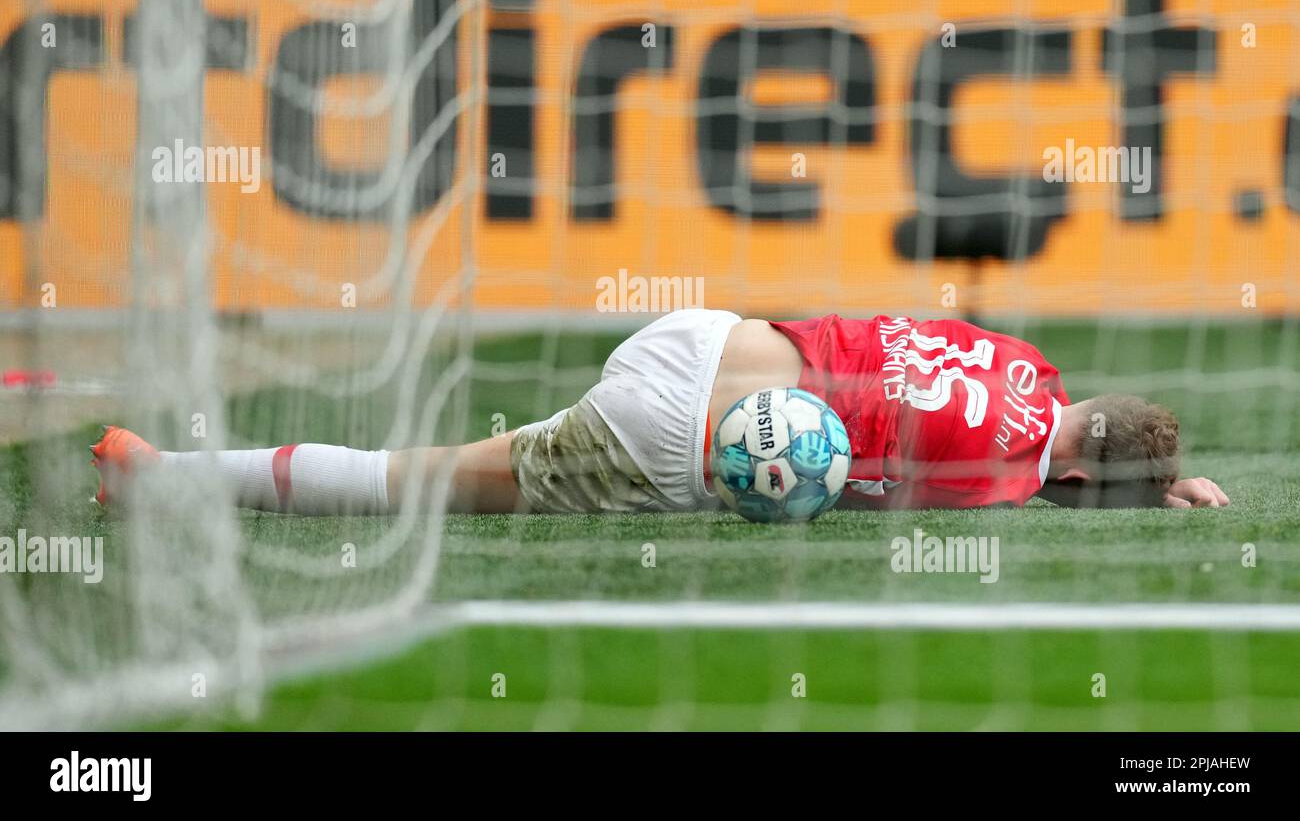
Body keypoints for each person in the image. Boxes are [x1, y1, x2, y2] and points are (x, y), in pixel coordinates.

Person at [92, 309, 1229, 515]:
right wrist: (1147, 484)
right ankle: (162, 476)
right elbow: (1024, 477)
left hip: (702, 333)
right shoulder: (1014, 473)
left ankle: (167, 465)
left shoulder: (1023, 356)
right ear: (1079, 474)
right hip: (681, 442)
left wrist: (1136, 452)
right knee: (417, 475)